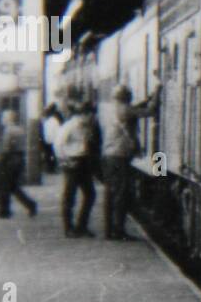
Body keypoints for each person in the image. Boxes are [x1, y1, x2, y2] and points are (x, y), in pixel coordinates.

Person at [99, 83, 160, 240]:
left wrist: (147, 99)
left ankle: (108, 230)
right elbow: (150, 112)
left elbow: (134, 109)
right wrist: (158, 92)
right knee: (121, 194)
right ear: (126, 97)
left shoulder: (113, 109)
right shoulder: (125, 110)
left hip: (109, 155)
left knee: (110, 194)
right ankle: (118, 230)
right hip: (120, 157)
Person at [56, 99, 98, 237]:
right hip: (72, 162)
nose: (93, 118)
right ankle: (68, 229)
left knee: (90, 194)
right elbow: (58, 145)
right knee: (69, 196)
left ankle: (81, 226)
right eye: (91, 115)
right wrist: (65, 160)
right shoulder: (69, 126)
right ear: (84, 114)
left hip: (83, 161)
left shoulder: (86, 126)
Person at [0, 108, 38, 220]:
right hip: (19, 159)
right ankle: (30, 204)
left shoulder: (8, 130)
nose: (1, 119)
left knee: (3, 185)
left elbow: (6, 148)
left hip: (9, 160)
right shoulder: (20, 129)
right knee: (13, 186)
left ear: (8, 119)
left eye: (3, 117)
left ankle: (4, 210)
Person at [40, 103, 64, 174]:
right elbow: (58, 130)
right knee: (52, 155)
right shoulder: (56, 120)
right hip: (53, 140)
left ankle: (50, 168)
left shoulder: (47, 121)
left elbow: (45, 131)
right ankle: (52, 168)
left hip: (47, 140)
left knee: (48, 155)